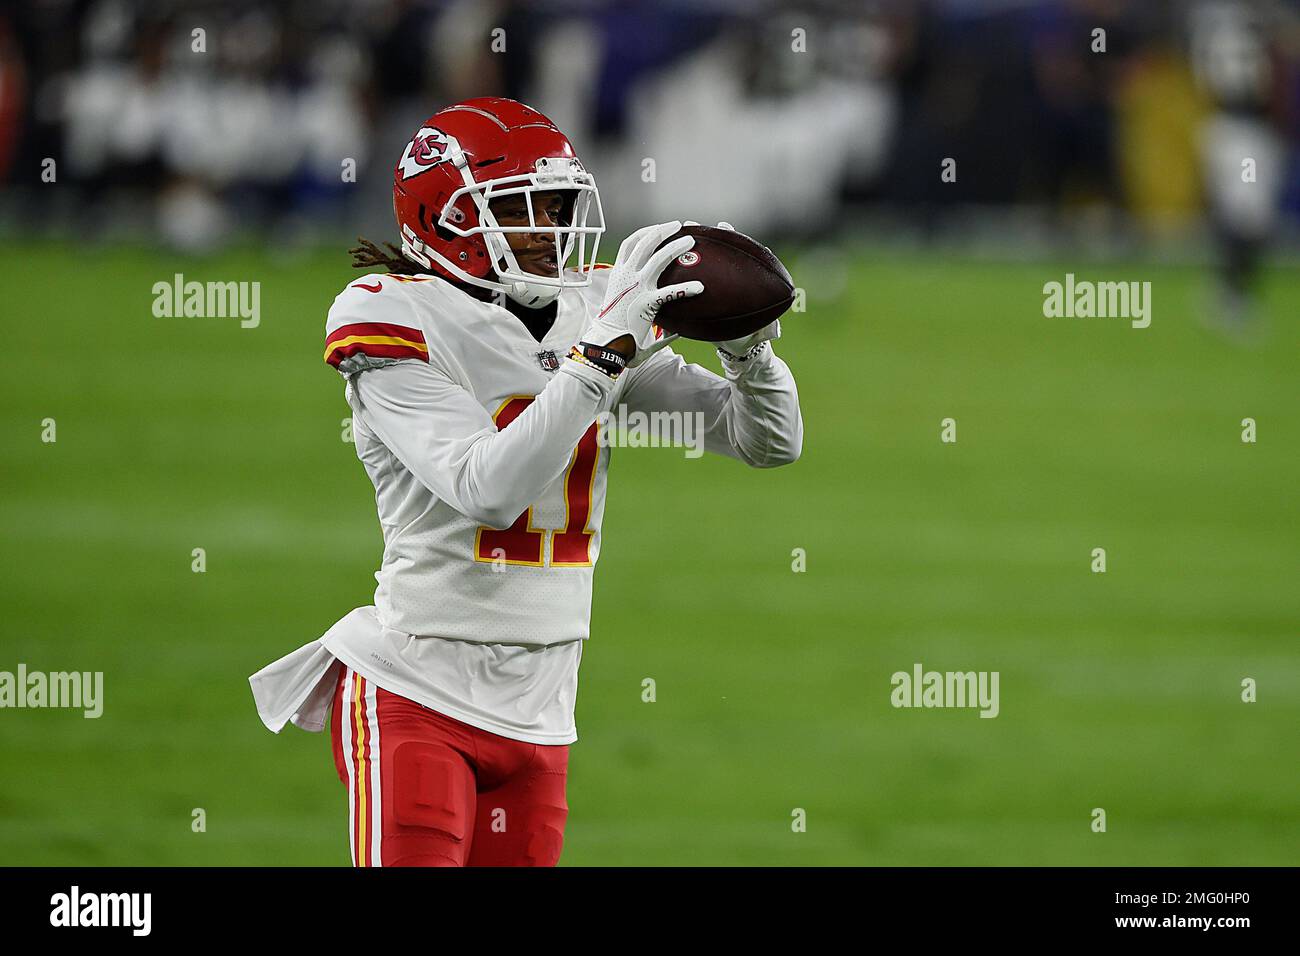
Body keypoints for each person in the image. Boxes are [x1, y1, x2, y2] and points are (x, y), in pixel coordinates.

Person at [248, 97, 802, 866]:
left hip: (542, 705)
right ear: (445, 222)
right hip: (418, 688)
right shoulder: (393, 313)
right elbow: (486, 487)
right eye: (520, 210)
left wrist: (748, 352)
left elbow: (767, 441)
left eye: (556, 205)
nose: (549, 229)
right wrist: (599, 361)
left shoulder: (588, 315)